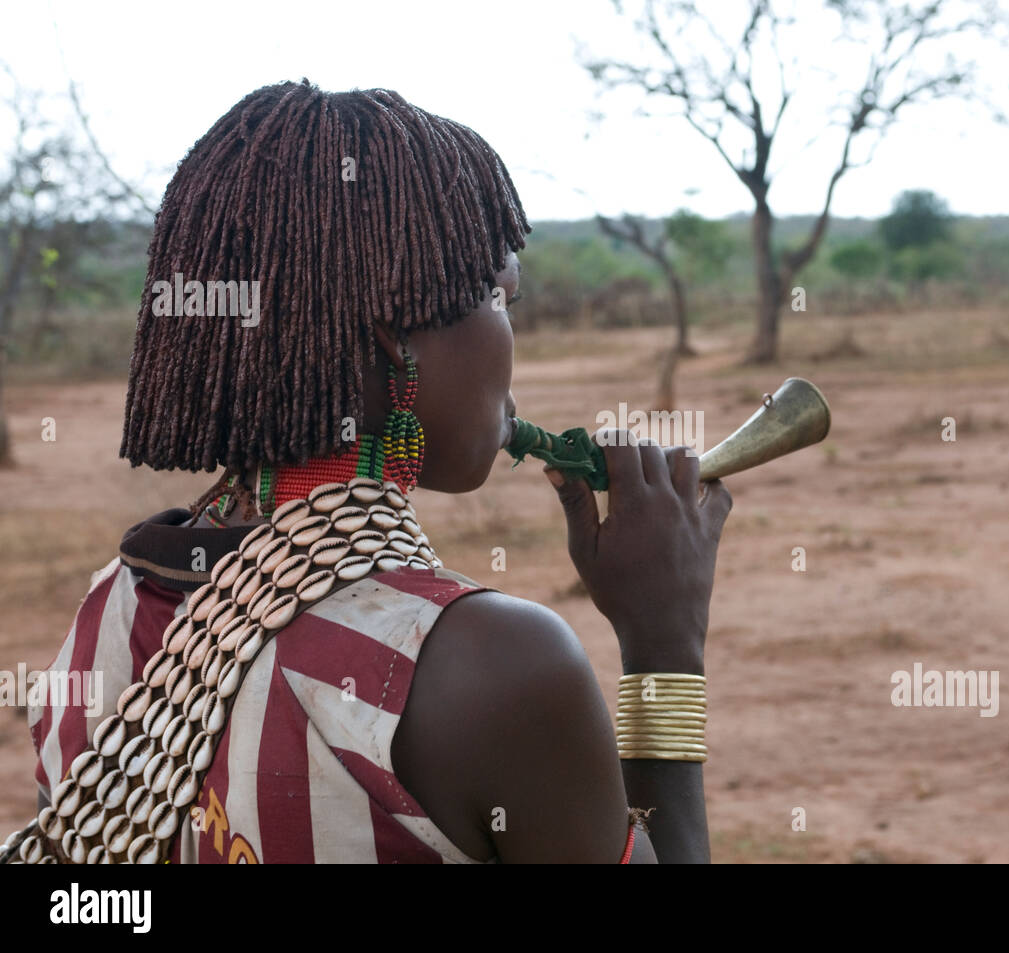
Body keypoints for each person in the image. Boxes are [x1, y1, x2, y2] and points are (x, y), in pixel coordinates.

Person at [5, 81, 731, 865]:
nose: (511, 340)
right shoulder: (496, 666)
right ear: (397, 346)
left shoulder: (109, 609)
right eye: (501, 296)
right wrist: (664, 640)